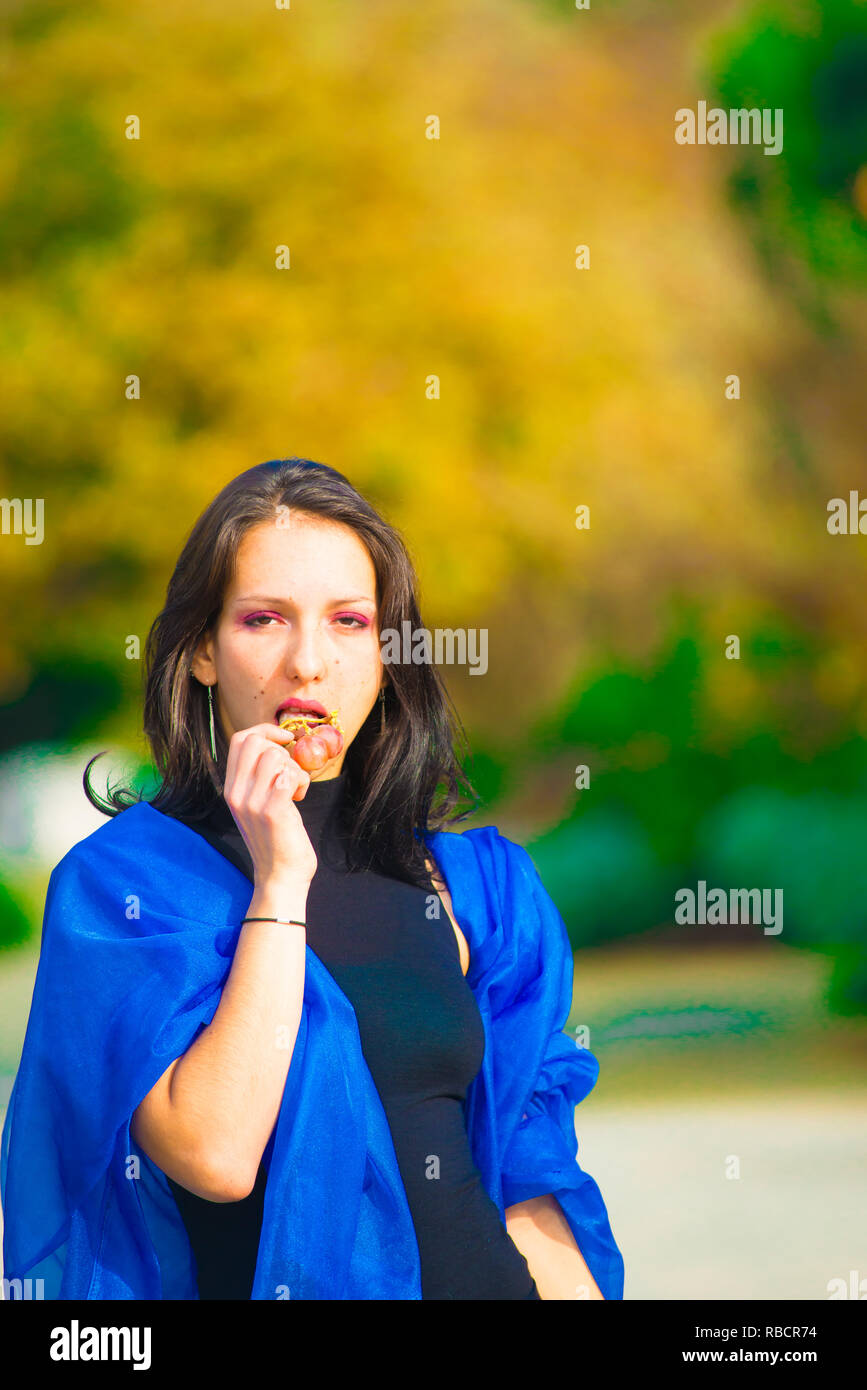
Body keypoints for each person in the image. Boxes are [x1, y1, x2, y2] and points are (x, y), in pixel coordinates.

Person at [0, 457, 624, 1300]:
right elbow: (215, 1154)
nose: (308, 663)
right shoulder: (125, 890)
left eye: (348, 622)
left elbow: (524, 1186)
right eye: (263, 619)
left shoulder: (478, 888)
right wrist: (279, 879)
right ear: (200, 654)